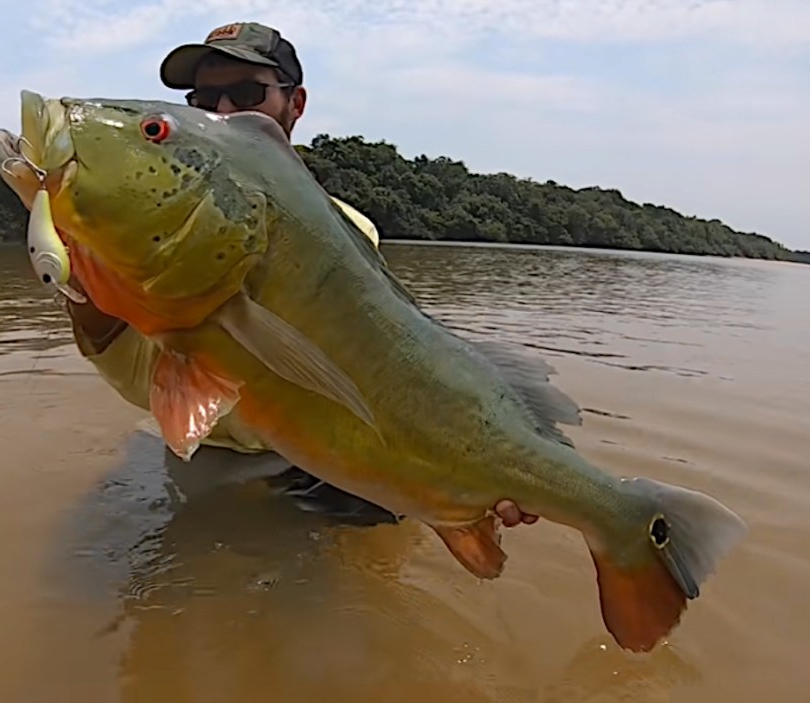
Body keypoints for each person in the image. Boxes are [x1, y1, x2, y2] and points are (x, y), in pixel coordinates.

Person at [65, 21, 538, 529]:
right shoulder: (151, 223)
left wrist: (473, 468)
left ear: (297, 103)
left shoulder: (353, 234)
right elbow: (135, 367)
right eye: (204, 95)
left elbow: (395, 379)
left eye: (247, 92)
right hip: (207, 451)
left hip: (313, 455)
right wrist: (81, 280)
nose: (222, 110)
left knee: (376, 537)